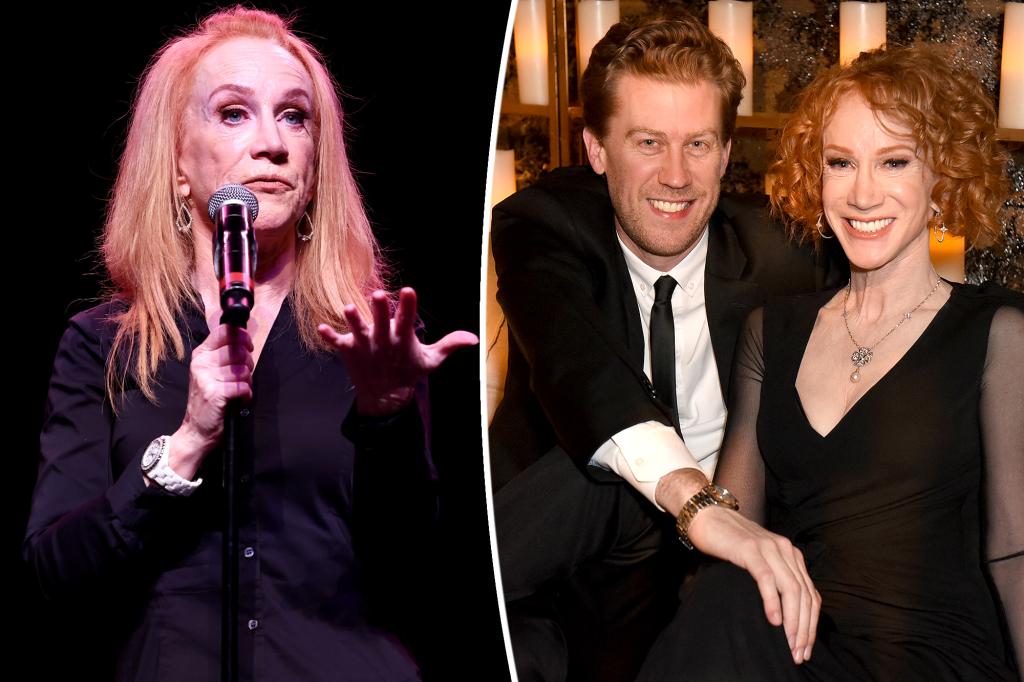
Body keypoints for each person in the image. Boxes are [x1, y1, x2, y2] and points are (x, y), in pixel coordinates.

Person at [22, 7, 477, 681]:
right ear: (177, 164)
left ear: (316, 166)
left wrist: (387, 416)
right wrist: (182, 448)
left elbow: (416, 576)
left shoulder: (368, 338)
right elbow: (54, 574)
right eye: (233, 113)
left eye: (295, 117)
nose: (272, 142)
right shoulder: (104, 346)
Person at [637, 44, 1023, 681]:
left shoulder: (996, 333)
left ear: (942, 179)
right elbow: (734, 529)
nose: (863, 193)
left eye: (894, 161)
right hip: (800, 650)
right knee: (728, 587)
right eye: (841, 163)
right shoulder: (773, 332)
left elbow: (1014, 551)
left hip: (934, 659)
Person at [489, 13, 846, 681]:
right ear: (597, 149)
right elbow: (582, 371)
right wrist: (697, 503)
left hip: (719, 586)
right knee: (605, 475)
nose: (676, 176)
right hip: (566, 584)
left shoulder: (787, 255)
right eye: (648, 142)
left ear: (727, 153)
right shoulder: (541, 226)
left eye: (699, 144)